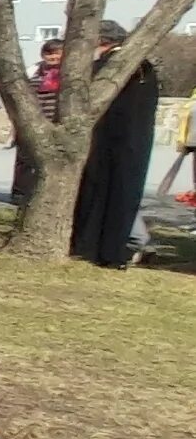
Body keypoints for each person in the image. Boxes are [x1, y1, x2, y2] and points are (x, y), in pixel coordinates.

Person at [71, 21, 160, 269]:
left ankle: (91, 246)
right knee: (123, 194)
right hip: (135, 141)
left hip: (106, 139)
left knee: (98, 194)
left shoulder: (109, 66)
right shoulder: (144, 67)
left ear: (101, 40)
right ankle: (114, 249)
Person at [13, 38, 64, 203]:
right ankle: (20, 193)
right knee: (25, 159)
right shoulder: (33, 72)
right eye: (49, 53)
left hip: (55, 122)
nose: (53, 57)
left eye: (57, 53)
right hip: (31, 121)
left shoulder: (69, 74)